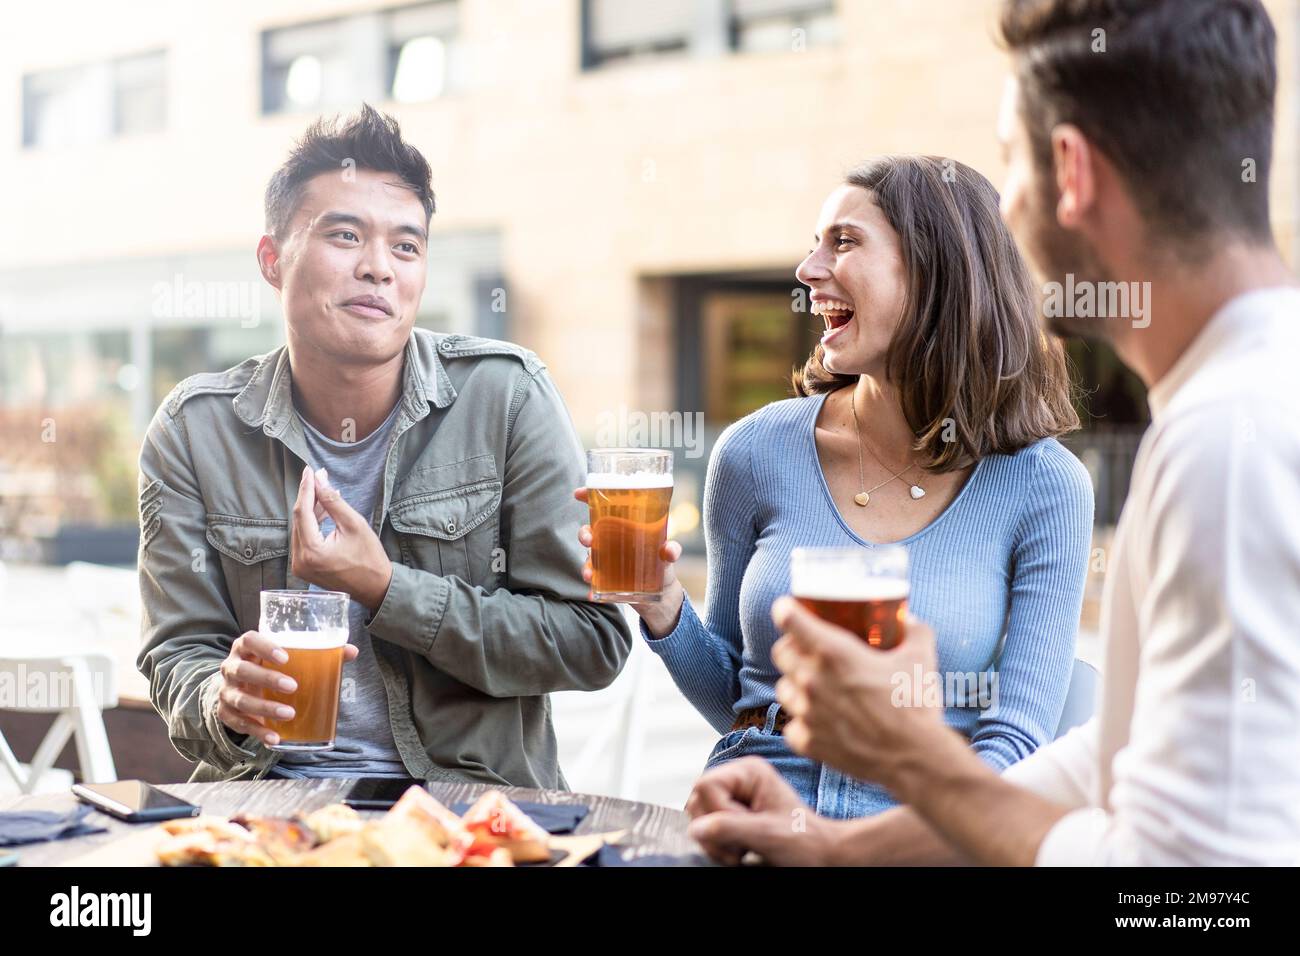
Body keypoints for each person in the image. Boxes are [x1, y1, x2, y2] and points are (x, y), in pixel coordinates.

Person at [686, 0, 1300, 865]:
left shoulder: (1227, 445)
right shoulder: (1227, 411)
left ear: (1071, 171)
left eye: (1011, 163)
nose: (1004, 209)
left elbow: (1191, 893)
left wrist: (908, 756)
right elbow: (1109, 762)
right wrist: (836, 850)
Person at [578, 155, 1094, 819]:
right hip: (755, 807)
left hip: (925, 826)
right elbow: (740, 699)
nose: (808, 270)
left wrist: (886, 842)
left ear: (940, 270)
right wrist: (662, 606)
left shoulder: (1045, 486)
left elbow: (1016, 739)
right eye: (813, 244)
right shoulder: (755, 452)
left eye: (843, 242)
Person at [136, 104, 630, 786]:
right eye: (345, 236)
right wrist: (222, 700)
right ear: (273, 260)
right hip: (265, 808)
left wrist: (387, 589)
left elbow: (593, 643)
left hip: (467, 810)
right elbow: (178, 653)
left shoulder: (507, 396)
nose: (379, 269)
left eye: (406, 246)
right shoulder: (195, 431)